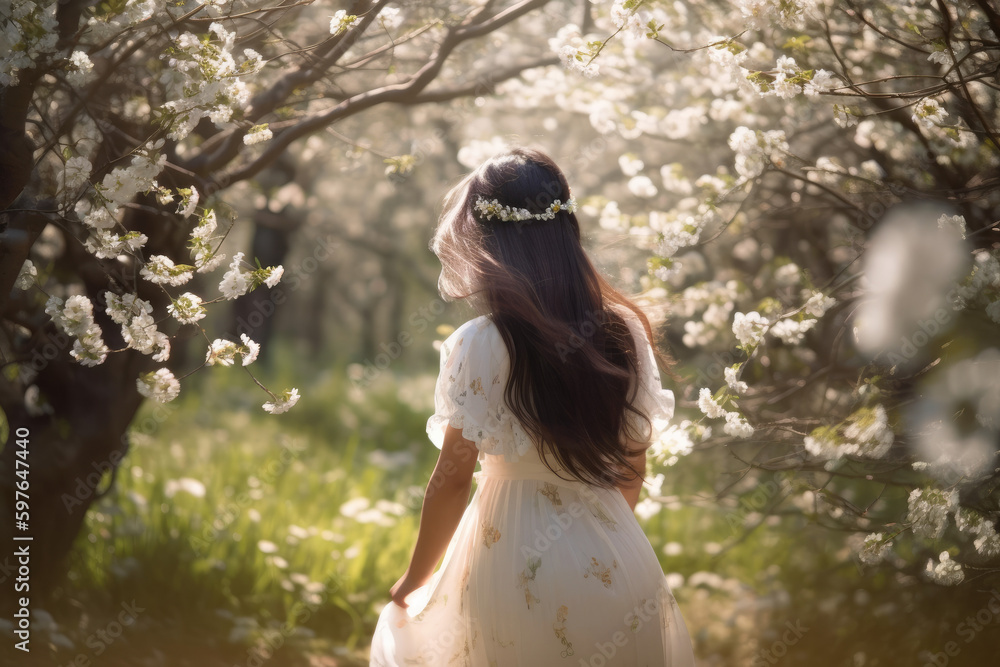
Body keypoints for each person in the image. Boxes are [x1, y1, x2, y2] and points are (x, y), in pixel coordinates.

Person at [369, 147, 696, 666]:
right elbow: (632, 467)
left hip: (506, 557)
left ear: (485, 241)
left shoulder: (478, 342)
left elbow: (453, 479)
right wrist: (594, 548)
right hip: (615, 556)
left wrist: (414, 578)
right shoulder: (622, 332)